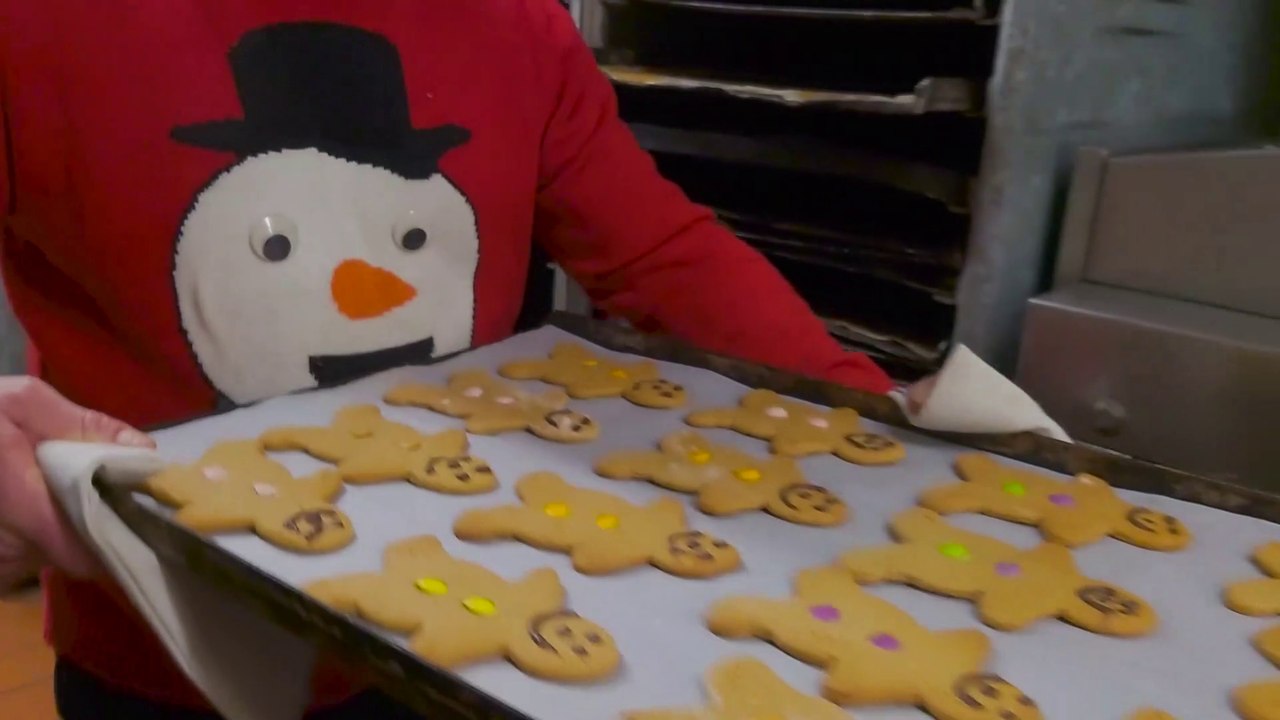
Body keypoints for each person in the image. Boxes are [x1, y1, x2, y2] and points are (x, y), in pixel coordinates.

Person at [0, 2, 935, 717]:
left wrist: (866, 408)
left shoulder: (516, 25)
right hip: (166, 648)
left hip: (474, 620)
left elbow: (658, 253)